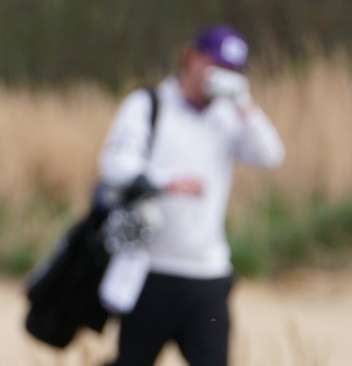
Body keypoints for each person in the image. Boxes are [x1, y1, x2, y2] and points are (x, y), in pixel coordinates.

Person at [96, 25, 286, 366]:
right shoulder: (149, 104)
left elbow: (270, 155)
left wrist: (244, 105)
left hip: (207, 278)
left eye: (232, 72)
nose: (221, 77)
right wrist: (165, 182)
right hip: (149, 272)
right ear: (191, 58)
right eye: (215, 66)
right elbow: (114, 163)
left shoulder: (230, 118)